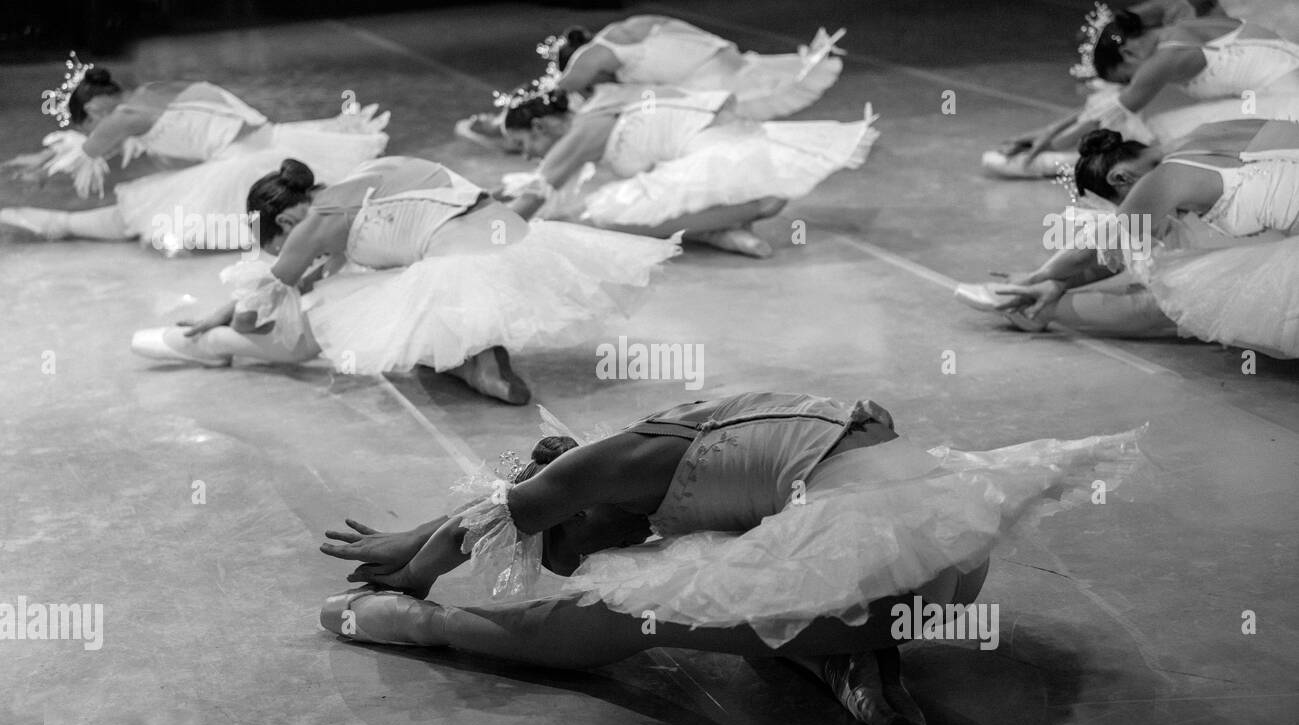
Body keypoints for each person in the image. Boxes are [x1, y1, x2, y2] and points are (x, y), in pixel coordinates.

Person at [315, 392, 1145, 725]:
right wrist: (419, 530)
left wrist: (415, 569)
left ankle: (425, 630)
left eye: (564, 544)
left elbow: (498, 517)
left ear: (571, 504)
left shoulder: (607, 466)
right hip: (952, 566)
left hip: (882, 556)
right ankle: (849, 653)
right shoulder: (651, 453)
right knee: (705, 575)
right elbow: (515, 506)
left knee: (616, 613)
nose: (578, 556)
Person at [129, 157, 680, 403]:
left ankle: (198, 346)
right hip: (513, 235)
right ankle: (475, 359)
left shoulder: (313, 225)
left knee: (308, 330)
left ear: (287, 221)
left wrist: (215, 321)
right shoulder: (369, 176)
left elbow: (262, 299)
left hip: (458, 264)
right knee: (391, 297)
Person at [958, 121, 1299, 358]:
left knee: (1192, 291)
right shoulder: (1206, 132)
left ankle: (1038, 302)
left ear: (1120, 177)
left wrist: (1037, 276)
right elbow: (1120, 249)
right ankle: (1046, 302)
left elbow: (1091, 251)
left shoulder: (1160, 182)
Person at [1, 56, 388, 249]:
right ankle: (56, 223)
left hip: (244, 161)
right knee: (148, 205)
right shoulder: (149, 91)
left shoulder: (123, 116)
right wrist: (45, 157)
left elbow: (87, 152)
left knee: (141, 212)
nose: (92, 131)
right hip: (274, 141)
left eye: (86, 123)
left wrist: (40, 169)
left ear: (97, 112)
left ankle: (54, 222)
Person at [496, 84, 877, 257]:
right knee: (625, 199)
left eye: (522, 144)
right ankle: (719, 227)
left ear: (541, 127)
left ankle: (736, 214)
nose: (527, 156)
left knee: (603, 217)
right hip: (736, 144)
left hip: (730, 158)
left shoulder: (584, 130)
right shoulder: (602, 102)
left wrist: (481, 233)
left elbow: (532, 199)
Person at [984, 5, 1299, 179]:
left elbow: (1100, 119)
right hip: (1279, 90)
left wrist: (1044, 141)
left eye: (1126, 77)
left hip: (1288, 107)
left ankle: (1050, 163)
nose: (1130, 83)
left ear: (1130, 56)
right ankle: (1072, 160)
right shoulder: (1181, 15)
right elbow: (1107, 105)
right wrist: (1050, 128)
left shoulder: (1163, 59)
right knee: (1159, 126)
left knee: (1163, 134)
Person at [455, 16, 845, 154]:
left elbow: (552, 93)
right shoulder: (619, 35)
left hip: (709, 70)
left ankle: (509, 128)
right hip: (717, 59)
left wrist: (520, 108)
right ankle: (513, 129)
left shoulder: (589, 60)